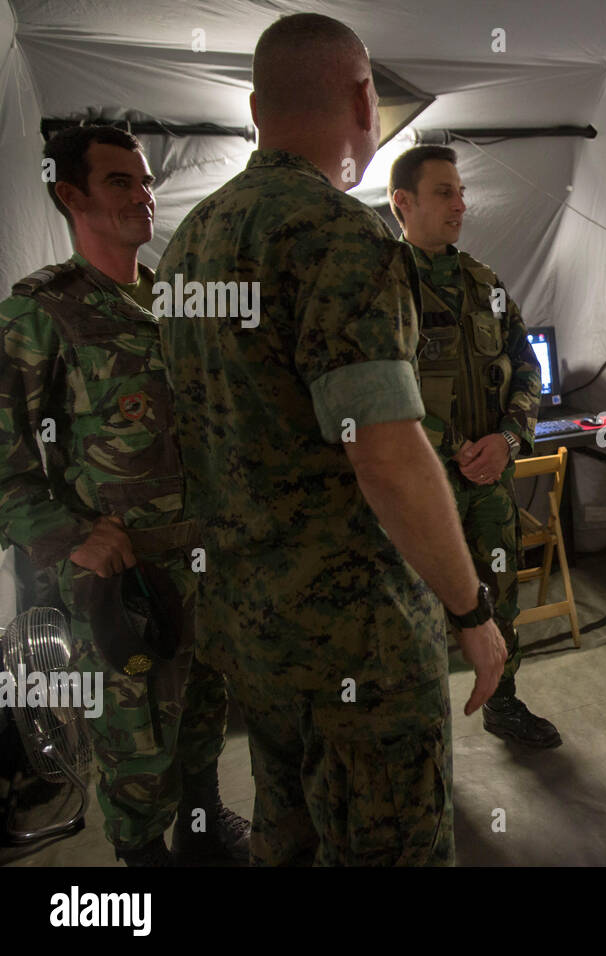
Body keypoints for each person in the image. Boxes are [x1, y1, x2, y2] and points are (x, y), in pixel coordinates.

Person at [156, 13, 506, 866]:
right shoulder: (340, 236)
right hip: (356, 637)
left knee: (289, 834)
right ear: (363, 99)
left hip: (250, 628)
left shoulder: (188, 245)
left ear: (253, 106)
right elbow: (386, 457)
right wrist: (471, 610)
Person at [0, 125, 247, 866]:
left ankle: (204, 827)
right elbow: (8, 467)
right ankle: (143, 864)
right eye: (120, 182)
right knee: (136, 754)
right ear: (70, 195)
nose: (143, 195)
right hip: (125, 582)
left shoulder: (177, 298)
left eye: (144, 181)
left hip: (206, 565)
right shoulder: (43, 312)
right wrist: (67, 536)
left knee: (203, 720)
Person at [388, 145, 561, 748]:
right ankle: (421, 728)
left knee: (499, 589)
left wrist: (508, 438)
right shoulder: (383, 286)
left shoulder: (484, 284)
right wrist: (460, 445)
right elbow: (380, 390)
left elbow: (525, 365)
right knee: (415, 608)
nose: (460, 204)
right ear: (401, 202)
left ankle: (503, 700)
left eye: (462, 192)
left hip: (489, 479)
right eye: (444, 192)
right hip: (419, 486)